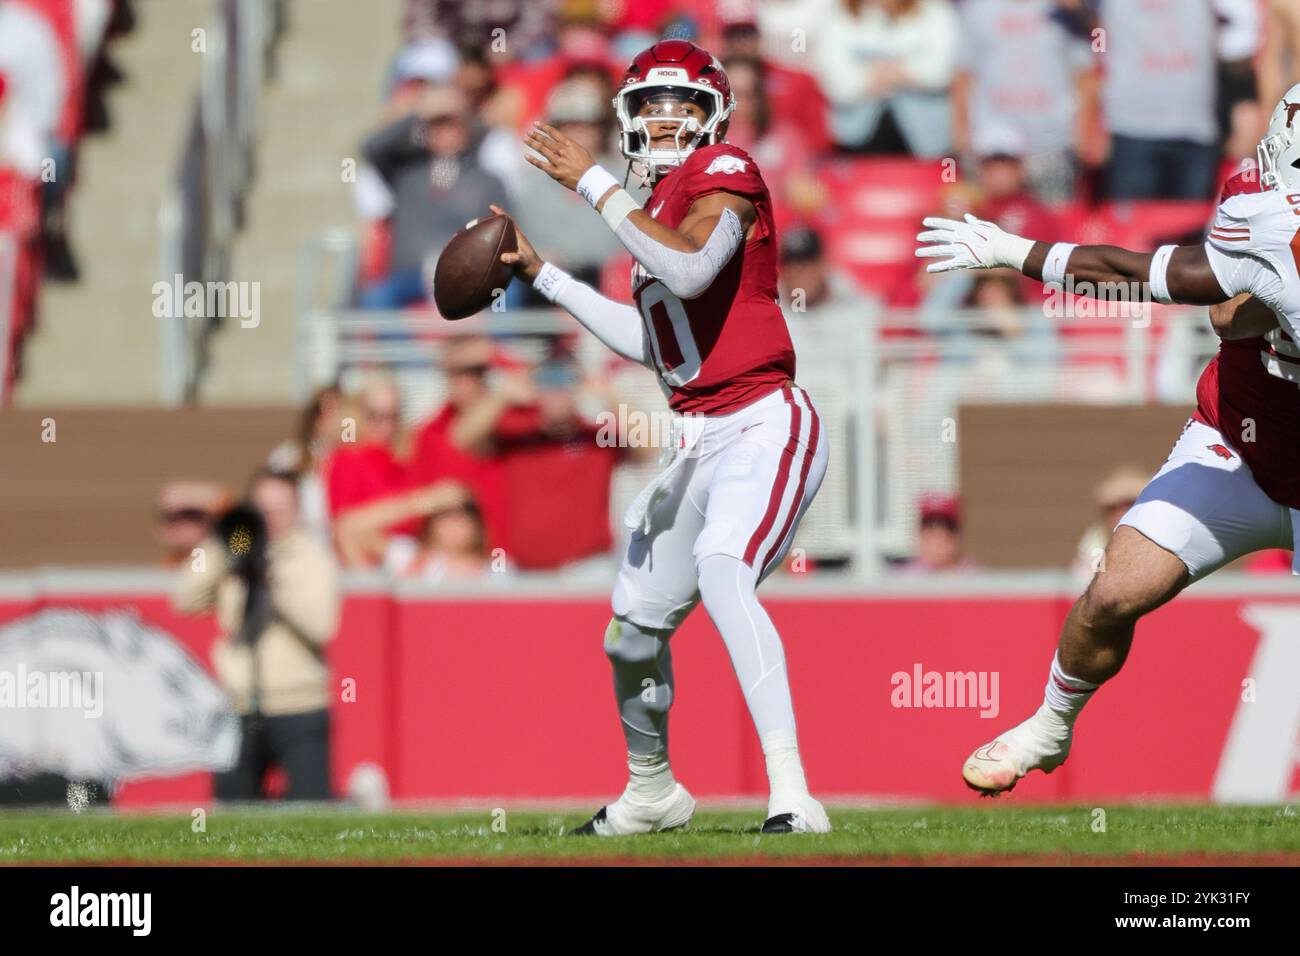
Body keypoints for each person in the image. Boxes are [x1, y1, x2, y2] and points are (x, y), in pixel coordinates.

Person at [914, 82, 1300, 796]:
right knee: (1113, 593)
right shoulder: (1265, 214)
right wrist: (1013, 249)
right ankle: (1051, 725)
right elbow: (1154, 280)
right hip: (1237, 448)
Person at [497, 40, 831, 834]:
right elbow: (658, 343)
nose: (666, 116)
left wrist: (592, 183)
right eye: (648, 103)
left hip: (763, 420)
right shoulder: (656, 217)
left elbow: (687, 273)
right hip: (700, 437)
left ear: (716, 114)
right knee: (630, 632)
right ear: (627, 117)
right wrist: (541, 274)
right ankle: (651, 790)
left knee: (723, 572)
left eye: (682, 102)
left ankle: (793, 795)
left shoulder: (727, 173)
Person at [171, 470, 340, 801]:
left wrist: (270, 575)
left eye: (280, 510)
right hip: (238, 706)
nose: (271, 519)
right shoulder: (234, 551)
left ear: (297, 511)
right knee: (234, 818)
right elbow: (184, 598)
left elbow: (321, 625)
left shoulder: (310, 557)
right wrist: (226, 545)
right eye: (264, 510)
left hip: (299, 706)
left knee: (311, 813)